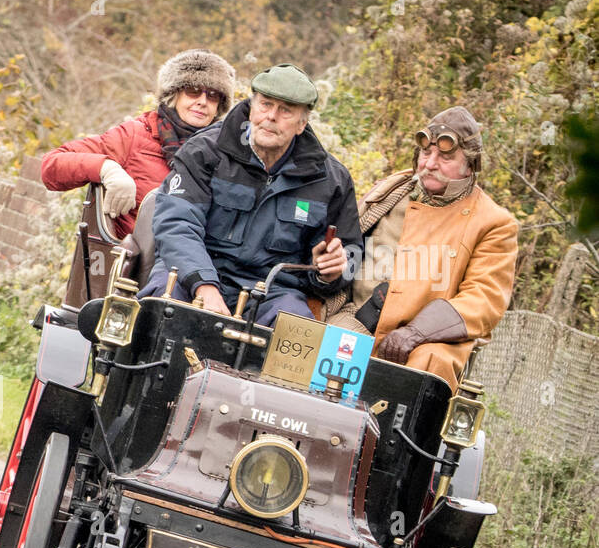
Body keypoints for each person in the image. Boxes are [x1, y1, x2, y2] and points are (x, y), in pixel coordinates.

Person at [142, 64, 362, 327]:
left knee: (296, 334)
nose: (271, 117)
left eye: (285, 111)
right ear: (251, 106)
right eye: (265, 105)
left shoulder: (332, 180)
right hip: (189, 273)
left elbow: (350, 253)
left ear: (302, 123)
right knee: (162, 307)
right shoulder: (205, 152)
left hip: (273, 293)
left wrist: (329, 272)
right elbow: (176, 225)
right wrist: (205, 286)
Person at [328, 106, 517, 390]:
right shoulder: (391, 190)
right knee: (305, 337)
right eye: (426, 153)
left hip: (426, 339)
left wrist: (416, 332)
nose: (430, 164)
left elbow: (484, 300)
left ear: (471, 164)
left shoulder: (493, 222)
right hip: (355, 317)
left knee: (430, 366)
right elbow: (348, 245)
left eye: (445, 157)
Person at [39, 49, 236, 237]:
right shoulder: (135, 135)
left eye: (213, 95)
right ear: (174, 93)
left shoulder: (225, 151)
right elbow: (52, 166)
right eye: (193, 91)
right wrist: (107, 168)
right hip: (135, 263)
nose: (203, 101)